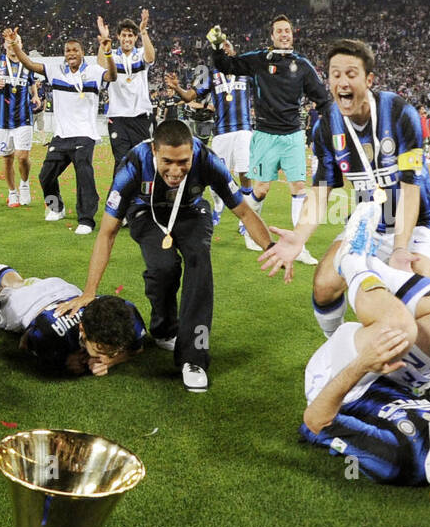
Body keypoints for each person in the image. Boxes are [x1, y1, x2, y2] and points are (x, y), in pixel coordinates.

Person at [296, 206, 430, 487]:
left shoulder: (396, 458)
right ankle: (376, 266)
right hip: (395, 379)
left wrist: (363, 363)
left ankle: (352, 260)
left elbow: (315, 421)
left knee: (401, 330)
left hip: (339, 385)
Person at [61, 118, 272, 392]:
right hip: (146, 213)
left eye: (183, 161)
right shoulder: (133, 163)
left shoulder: (208, 160)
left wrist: (271, 248)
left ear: (193, 152)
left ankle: (194, 359)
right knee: (163, 267)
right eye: (167, 162)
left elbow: (244, 211)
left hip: (192, 212)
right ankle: (163, 328)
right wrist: (90, 291)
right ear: (154, 152)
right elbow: (107, 232)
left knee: (199, 260)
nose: (175, 171)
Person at [260, 40, 430, 341]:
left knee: (416, 304)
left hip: (418, 223)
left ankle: (426, 386)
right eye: (335, 75)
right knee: (323, 286)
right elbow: (321, 191)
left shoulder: (399, 112)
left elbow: (410, 188)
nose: (342, 82)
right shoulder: (326, 127)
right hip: (369, 220)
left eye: (350, 74)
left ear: (368, 80)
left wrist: (400, 249)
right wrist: (299, 236)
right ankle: (337, 345)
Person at [207, 14, 330, 265]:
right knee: (260, 189)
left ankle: (299, 245)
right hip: (265, 135)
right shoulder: (259, 59)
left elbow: (323, 99)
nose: (284, 34)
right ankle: (252, 234)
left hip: (294, 135)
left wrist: (332, 124)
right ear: (272, 36)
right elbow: (227, 66)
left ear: (292, 34)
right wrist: (217, 47)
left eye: (288, 30)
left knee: (298, 188)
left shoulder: (303, 65)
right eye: (279, 31)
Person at [0, 249, 146, 376]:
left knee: (19, 283)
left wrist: (111, 361)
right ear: (82, 329)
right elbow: (25, 343)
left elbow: (136, 348)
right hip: (26, 306)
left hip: (58, 288)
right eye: (102, 349)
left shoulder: (127, 315)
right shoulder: (51, 333)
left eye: (115, 349)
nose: (109, 353)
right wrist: (63, 363)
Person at [3, 22, 116, 235]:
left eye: (75, 50)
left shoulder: (93, 71)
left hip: (84, 135)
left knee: (84, 177)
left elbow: (112, 76)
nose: (71, 53)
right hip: (61, 136)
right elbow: (29, 64)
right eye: (67, 50)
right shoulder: (55, 70)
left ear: (83, 53)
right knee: (46, 175)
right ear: (64, 54)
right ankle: (56, 207)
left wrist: (108, 54)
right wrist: (15, 46)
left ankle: (86, 219)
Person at [165, 38, 258, 250]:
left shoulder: (245, 71)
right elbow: (190, 96)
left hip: (244, 130)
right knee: (216, 176)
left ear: (233, 50)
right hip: (222, 133)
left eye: (228, 46)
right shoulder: (211, 75)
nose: (225, 49)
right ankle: (218, 206)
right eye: (221, 47)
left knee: (245, 173)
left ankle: (244, 220)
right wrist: (178, 87)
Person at [0, 34, 44, 207]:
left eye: (15, 41)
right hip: (2, 120)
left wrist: (36, 95)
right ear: (4, 44)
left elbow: (31, 82)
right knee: (7, 159)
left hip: (23, 118)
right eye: (9, 42)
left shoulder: (27, 63)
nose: (12, 44)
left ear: (21, 44)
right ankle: (12, 192)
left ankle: (24, 185)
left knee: (23, 157)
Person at [102, 10, 155, 178]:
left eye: (131, 35)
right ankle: (119, 199)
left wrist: (144, 31)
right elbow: (100, 67)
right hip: (117, 117)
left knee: (143, 159)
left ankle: (143, 198)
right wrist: (103, 43)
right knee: (121, 160)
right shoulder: (112, 56)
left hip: (140, 115)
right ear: (118, 36)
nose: (127, 39)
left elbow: (151, 57)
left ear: (135, 38)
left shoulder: (140, 53)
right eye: (124, 35)